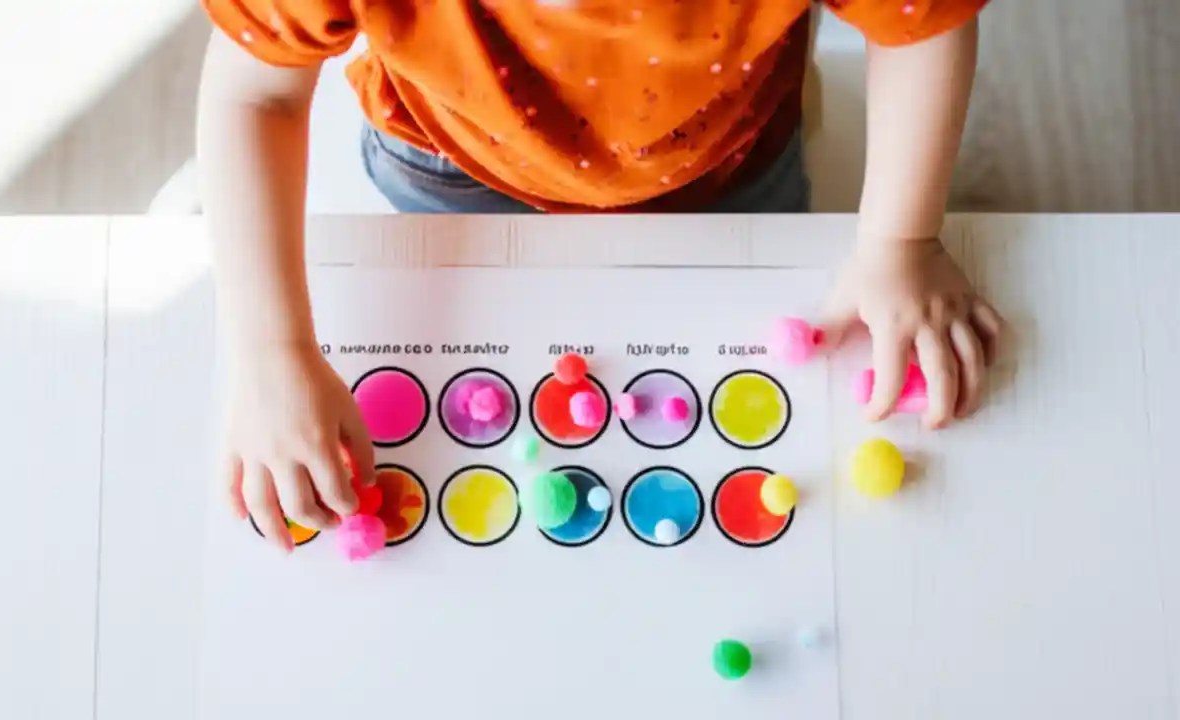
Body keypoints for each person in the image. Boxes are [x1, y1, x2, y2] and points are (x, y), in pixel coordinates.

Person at [196, 0, 1004, 551]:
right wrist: (273, 352)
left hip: (726, 166)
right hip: (449, 160)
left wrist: (901, 242)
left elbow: (920, 24)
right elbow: (254, 96)